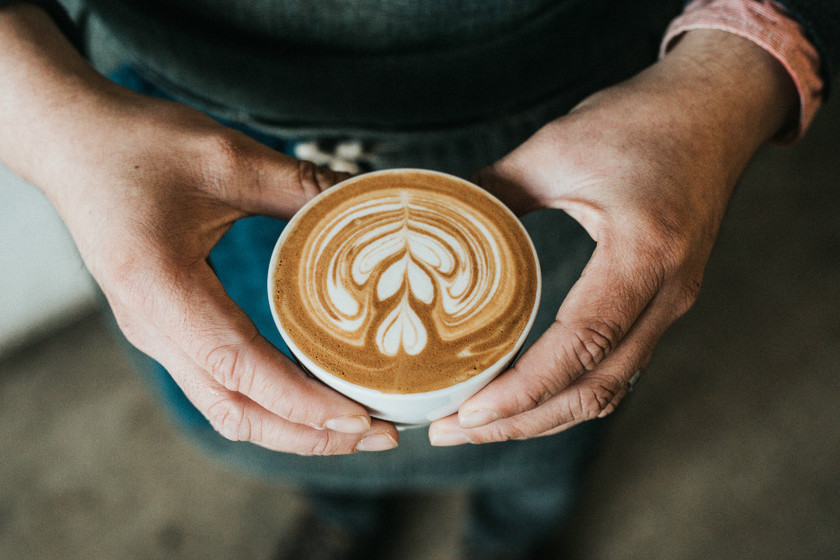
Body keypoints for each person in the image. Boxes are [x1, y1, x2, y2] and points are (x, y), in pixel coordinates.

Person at [0, 0, 835, 558]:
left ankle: (517, 535)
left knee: (557, 401)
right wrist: (45, 118)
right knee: (264, 399)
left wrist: (735, 69)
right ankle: (348, 511)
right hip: (166, 124)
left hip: (576, 108)